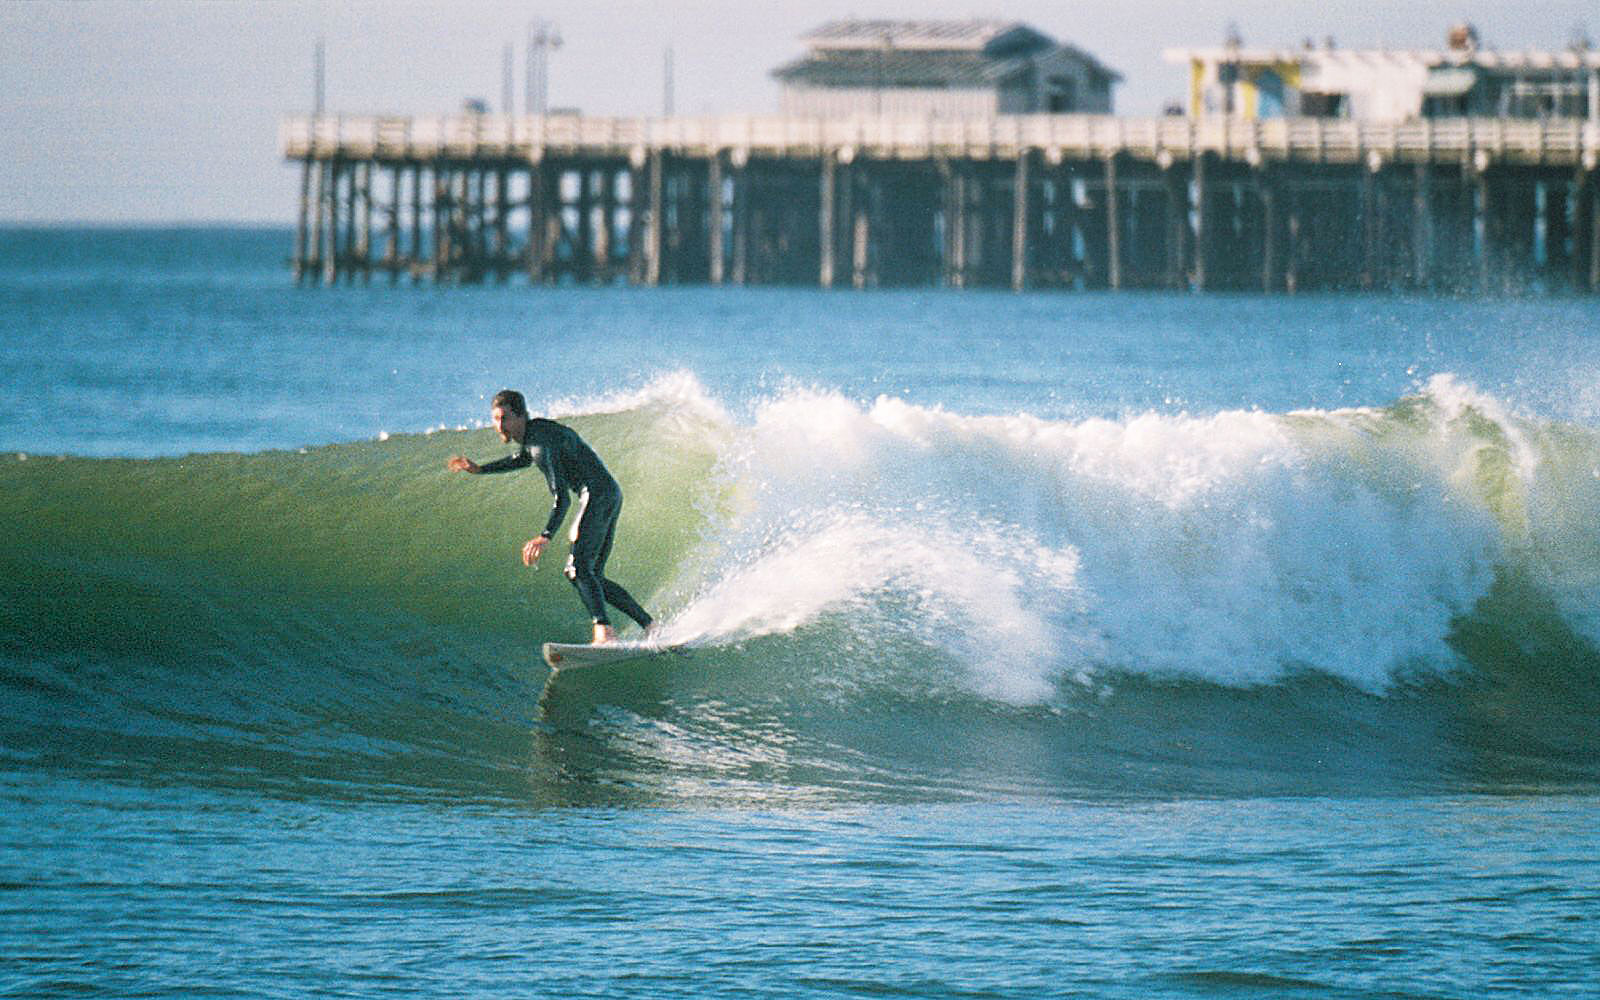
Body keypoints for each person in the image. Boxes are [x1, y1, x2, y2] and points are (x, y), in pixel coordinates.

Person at [448, 389, 653, 645]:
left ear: (520, 416)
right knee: (592, 576)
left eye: (505, 418)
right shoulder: (537, 434)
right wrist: (481, 469)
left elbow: (561, 497)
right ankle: (650, 626)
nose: (499, 425)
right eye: (496, 419)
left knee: (577, 570)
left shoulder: (540, 444)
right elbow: (522, 459)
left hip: (596, 495)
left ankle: (604, 632)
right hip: (609, 492)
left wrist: (545, 536)